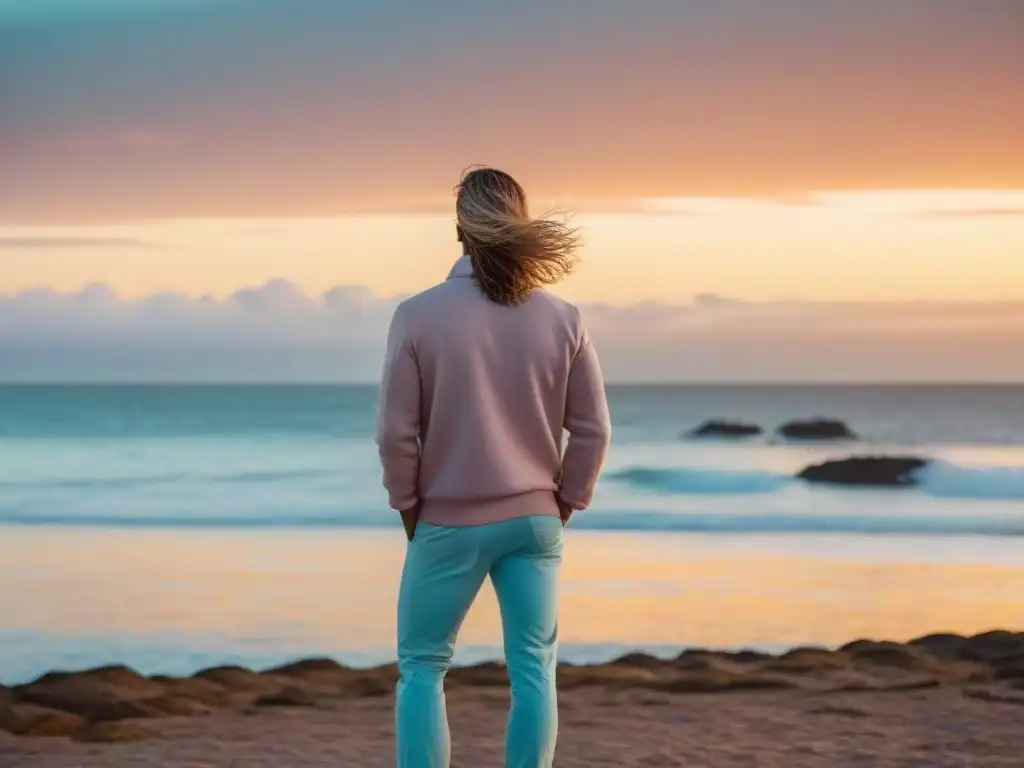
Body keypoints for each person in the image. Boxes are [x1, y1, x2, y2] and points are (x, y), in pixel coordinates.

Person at [376, 166, 611, 768]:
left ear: (460, 229)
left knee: (424, 668)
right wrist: (564, 502)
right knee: (535, 668)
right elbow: (591, 430)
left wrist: (409, 507)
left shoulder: (418, 314)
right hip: (534, 521)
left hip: (449, 522)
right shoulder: (564, 317)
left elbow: (396, 434)